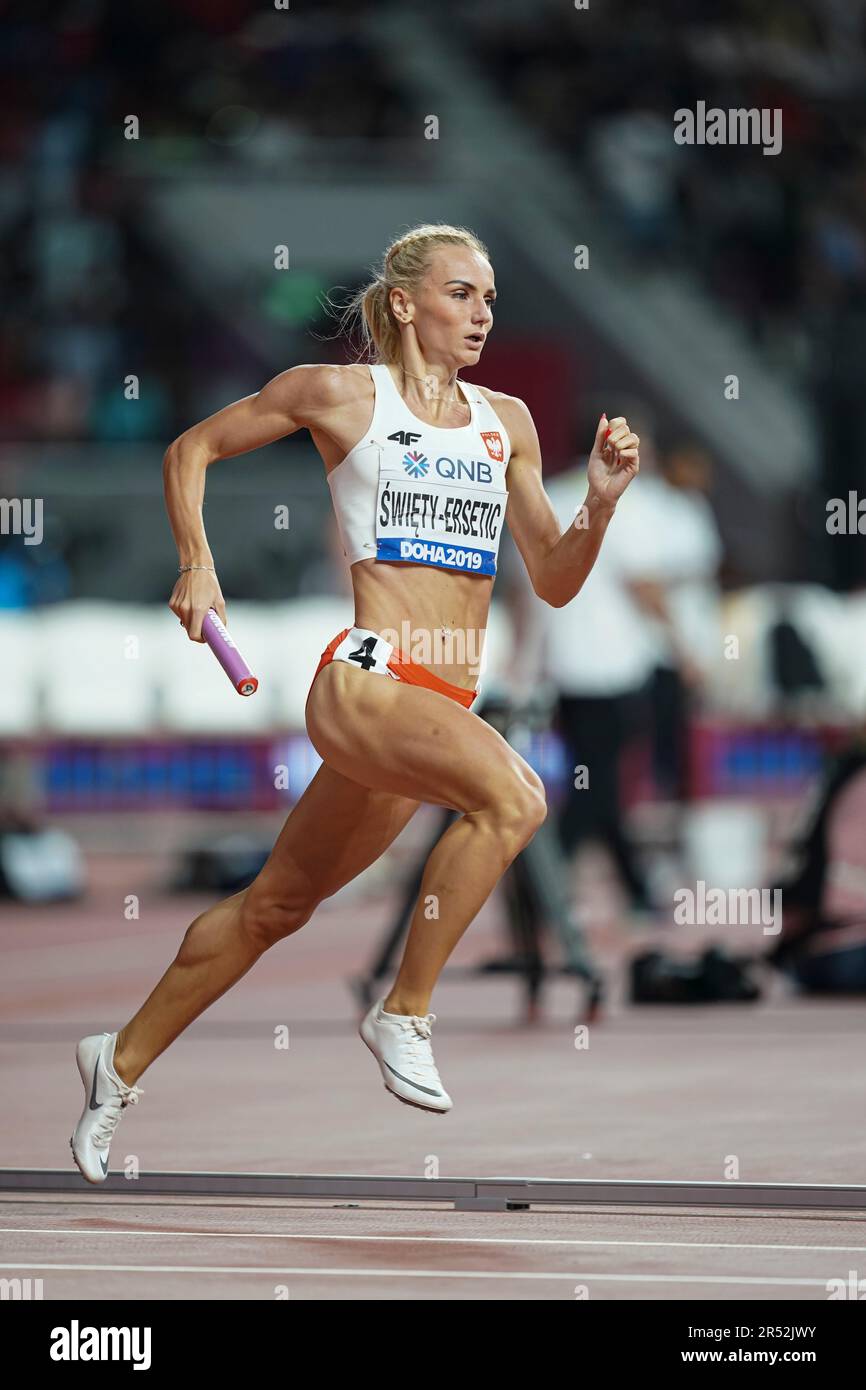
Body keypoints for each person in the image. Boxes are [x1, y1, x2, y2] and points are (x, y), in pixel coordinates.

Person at [70, 222, 640, 1182]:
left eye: (491, 299)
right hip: (368, 676)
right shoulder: (342, 394)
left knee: (276, 907)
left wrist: (603, 504)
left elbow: (551, 577)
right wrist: (198, 567)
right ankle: (404, 1010)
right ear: (408, 302)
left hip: (439, 699)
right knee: (516, 797)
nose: (482, 314)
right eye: (462, 294)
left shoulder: (508, 422)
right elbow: (192, 448)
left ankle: (115, 1065)